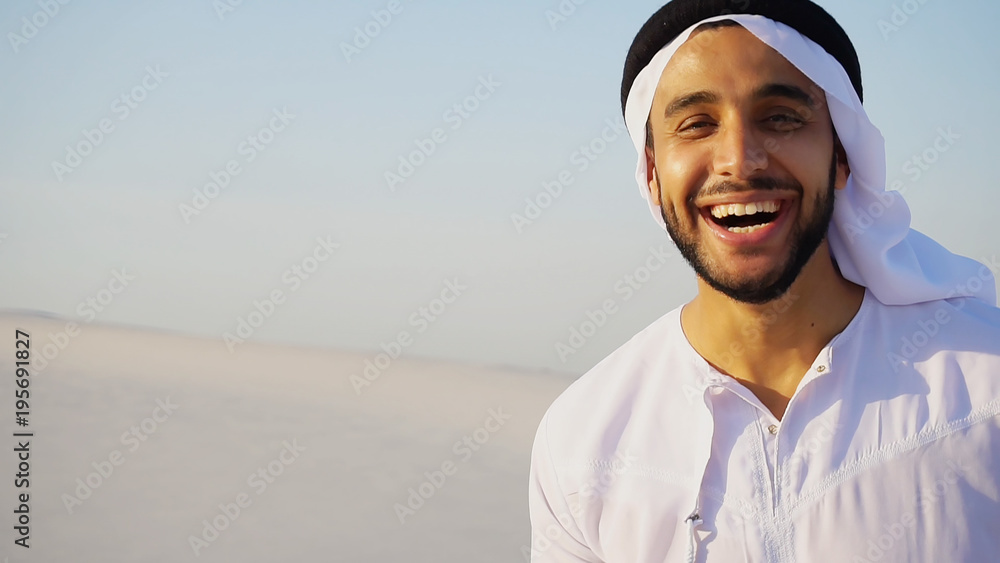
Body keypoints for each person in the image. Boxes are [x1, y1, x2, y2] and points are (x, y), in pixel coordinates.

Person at [526, 1, 1000, 561]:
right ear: (652, 175)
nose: (740, 161)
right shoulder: (583, 443)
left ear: (843, 155)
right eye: (697, 125)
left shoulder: (983, 385)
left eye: (780, 118)